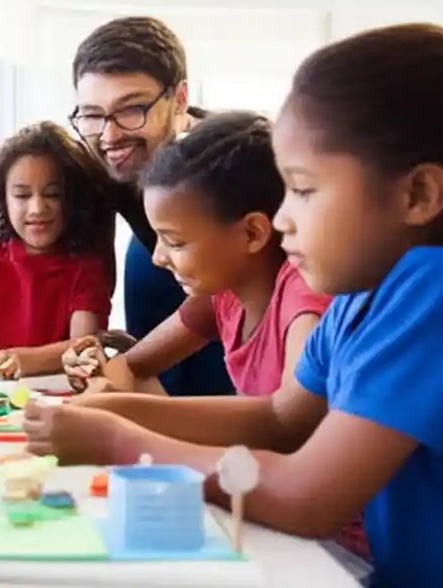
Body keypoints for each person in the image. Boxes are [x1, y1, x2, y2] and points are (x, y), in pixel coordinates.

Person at [25, 5, 443, 587]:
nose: (282, 220)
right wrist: (111, 410)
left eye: (303, 190)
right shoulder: (365, 294)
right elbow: (279, 417)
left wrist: (118, 441)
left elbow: (308, 496)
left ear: (418, 194)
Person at [0, 18, 235, 396]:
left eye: (132, 109)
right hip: (158, 270)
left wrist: (133, 362)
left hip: (230, 283)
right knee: (148, 269)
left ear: (179, 100)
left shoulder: (228, 163)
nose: (111, 136)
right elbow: (33, 201)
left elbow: (226, 296)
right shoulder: (100, 159)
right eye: (94, 114)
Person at [69, 111, 329, 397]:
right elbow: (132, 367)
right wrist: (95, 366)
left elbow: (286, 416)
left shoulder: (304, 304)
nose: (157, 258)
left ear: (252, 233)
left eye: (175, 242)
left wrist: (118, 408)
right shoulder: (225, 298)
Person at [0, 122, 114, 377]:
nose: (37, 209)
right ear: (3, 200)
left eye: (53, 194)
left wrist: (25, 360)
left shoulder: (86, 270)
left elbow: (84, 344)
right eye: (22, 196)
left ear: (74, 199)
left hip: (52, 397)